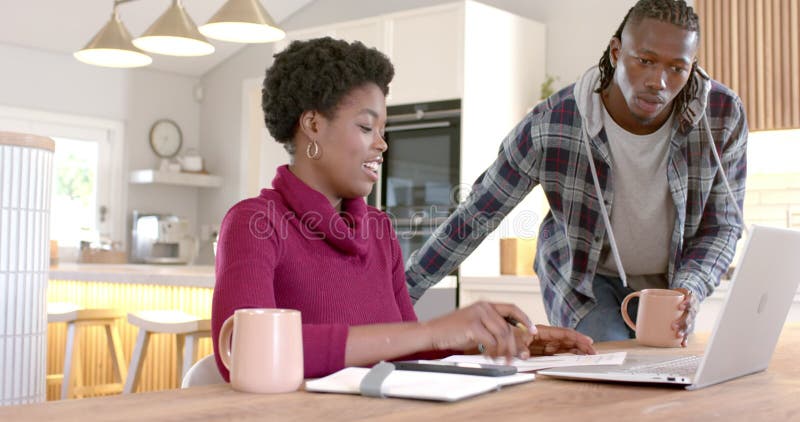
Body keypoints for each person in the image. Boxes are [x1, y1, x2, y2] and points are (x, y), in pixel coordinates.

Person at [211, 37, 595, 380]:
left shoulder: (379, 231)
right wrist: (433, 331)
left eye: (383, 130)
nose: (382, 144)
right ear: (312, 124)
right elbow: (243, 352)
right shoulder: (255, 223)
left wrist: (492, 342)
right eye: (366, 128)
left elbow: (408, 350)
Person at [405, 0, 747, 345]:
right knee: (607, 359)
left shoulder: (723, 115)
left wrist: (691, 288)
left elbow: (723, 226)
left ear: (692, 68)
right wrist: (402, 292)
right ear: (616, 52)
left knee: (664, 369)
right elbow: (477, 214)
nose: (658, 82)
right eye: (645, 61)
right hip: (585, 280)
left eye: (676, 68)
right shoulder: (551, 124)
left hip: (669, 282)